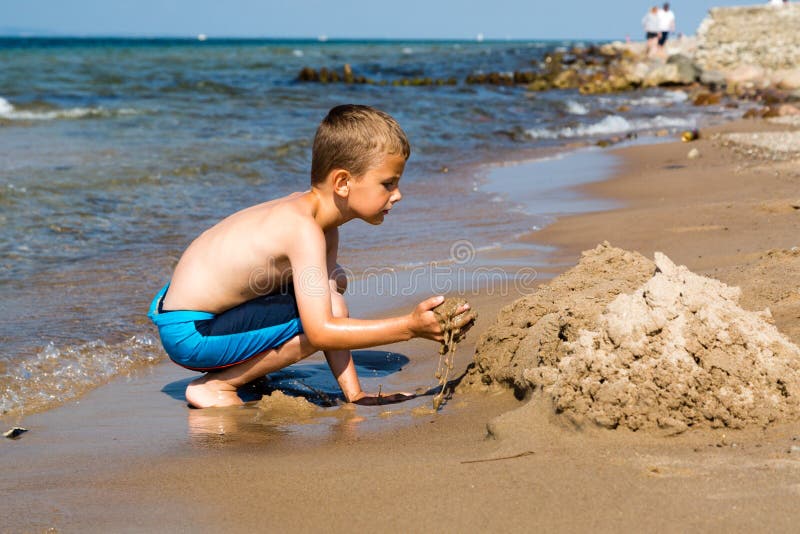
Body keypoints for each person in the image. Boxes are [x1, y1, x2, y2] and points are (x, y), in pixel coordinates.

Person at [147, 104, 475, 408]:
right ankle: (218, 385)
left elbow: (328, 310)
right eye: (388, 184)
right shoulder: (302, 228)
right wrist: (409, 327)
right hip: (192, 332)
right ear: (343, 183)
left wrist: (355, 395)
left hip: (193, 312)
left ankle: (250, 369)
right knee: (329, 303)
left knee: (333, 286)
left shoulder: (321, 223)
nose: (398, 195)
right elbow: (321, 331)